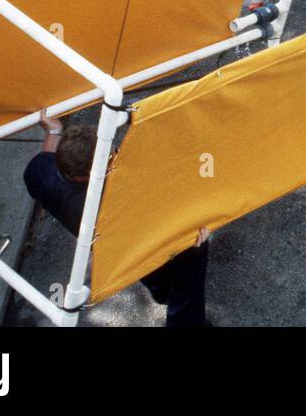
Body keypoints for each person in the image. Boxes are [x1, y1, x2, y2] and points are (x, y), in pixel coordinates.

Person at [23, 115, 210, 327]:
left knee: (149, 273)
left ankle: (163, 293)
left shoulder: (38, 172)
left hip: (112, 247)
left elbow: (45, 158)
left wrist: (54, 130)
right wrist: (193, 247)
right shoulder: (115, 201)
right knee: (188, 271)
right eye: (110, 156)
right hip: (137, 241)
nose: (115, 154)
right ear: (92, 173)